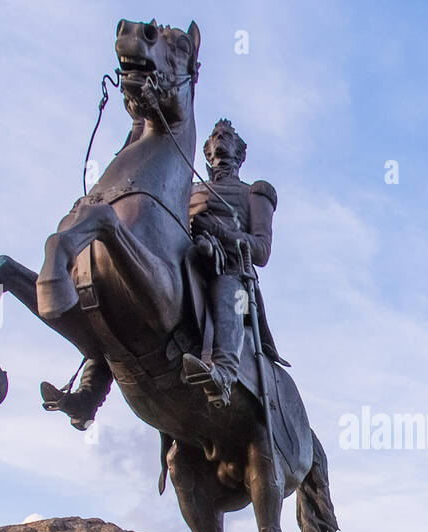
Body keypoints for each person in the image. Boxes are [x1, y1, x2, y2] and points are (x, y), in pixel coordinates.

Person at [40, 118, 283, 427]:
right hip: (187, 264)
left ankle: (223, 372)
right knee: (119, 297)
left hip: (230, 270)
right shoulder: (186, 188)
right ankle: (89, 395)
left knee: (229, 292)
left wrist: (220, 232)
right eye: (216, 136)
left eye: (228, 136)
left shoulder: (255, 192)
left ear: (240, 151)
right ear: (206, 151)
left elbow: (261, 250)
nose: (221, 138)